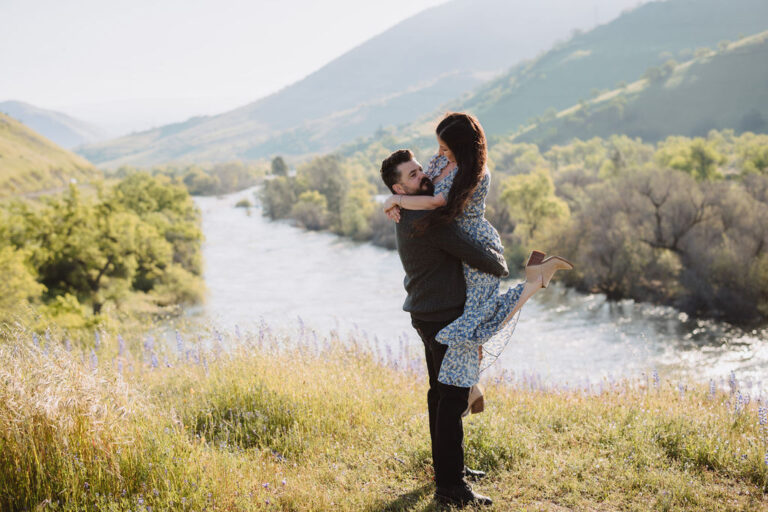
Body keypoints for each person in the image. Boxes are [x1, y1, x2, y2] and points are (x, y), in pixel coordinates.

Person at [383, 112, 572, 391]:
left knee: (480, 319)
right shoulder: (440, 162)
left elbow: (435, 202)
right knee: (468, 318)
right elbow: (421, 193)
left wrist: (395, 199)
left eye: (446, 148)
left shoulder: (475, 174)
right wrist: (396, 201)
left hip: (473, 243)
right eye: (439, 146)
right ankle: (470, 388)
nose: (439, 153)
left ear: (461, 147)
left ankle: (535, 280)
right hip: (451, 246)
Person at [380, 148, 505, 506]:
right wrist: (499, 262)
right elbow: (477, 255)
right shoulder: (425, 219)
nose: (422, 175)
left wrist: (391, 201)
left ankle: (449, 471)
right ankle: (451, 488)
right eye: (413, 175)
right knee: (451, 399)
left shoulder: (409, 210)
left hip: (427, 313)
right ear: (399, 189)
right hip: (442, 317)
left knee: (440, 395)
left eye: (419, 168)